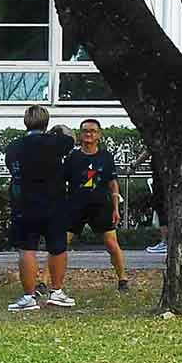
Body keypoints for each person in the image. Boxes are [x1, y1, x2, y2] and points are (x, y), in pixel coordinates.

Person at [3, 105, 76, 312]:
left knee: (27, 250)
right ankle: (57, 292)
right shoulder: (58, 142)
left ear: (25, 122)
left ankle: (28, 296)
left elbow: (12, 168)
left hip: (24, 204)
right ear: (47, 122)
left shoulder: (14, 146)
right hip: (55, 203)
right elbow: (71, 136)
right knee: (58, 248)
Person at [60, 118, 132, 291]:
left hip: (100, 206)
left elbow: (112, 183)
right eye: (85, 131)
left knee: (112, 244)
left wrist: (116, 208)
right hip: (75, 207)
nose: (88, 134)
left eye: (92, 131)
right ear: (80, 134)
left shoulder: (106, 157)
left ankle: (123, 279)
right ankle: (45, 280)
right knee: (60, 243)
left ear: (99, 134)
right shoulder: (72, 157)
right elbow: (62, 182)